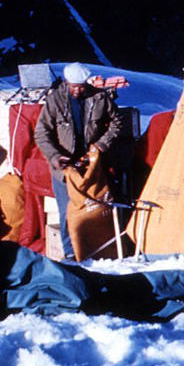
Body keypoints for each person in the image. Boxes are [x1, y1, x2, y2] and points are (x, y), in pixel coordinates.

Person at [34, 62, 123, 261]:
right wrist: (55, 157)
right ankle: (70, 252)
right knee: (67, 210)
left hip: (91, 166)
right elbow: (41, 133)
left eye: (80, 86)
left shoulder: (99, 97)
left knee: (96, 207)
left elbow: (117, 122)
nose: (77, 90)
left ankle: (99, 247)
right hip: (65, 169)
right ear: (66, 83)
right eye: (73, 86)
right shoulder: (55, 100)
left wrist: (101, 144)